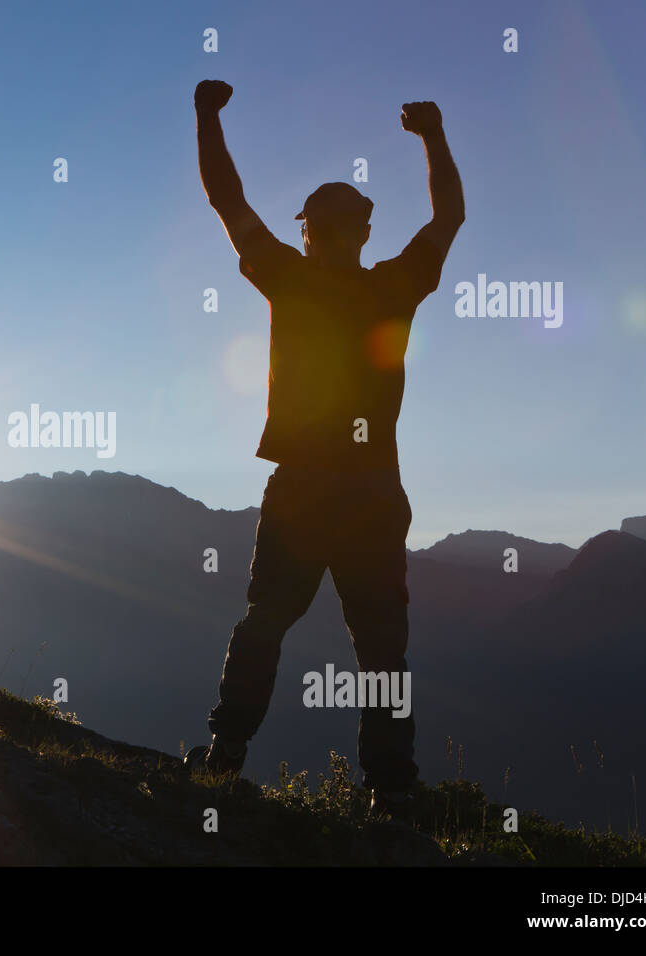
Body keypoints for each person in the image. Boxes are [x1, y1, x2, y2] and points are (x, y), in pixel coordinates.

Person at [185, 79, 465, 819]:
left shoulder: (289, 280)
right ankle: (391, 788)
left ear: (309, 230)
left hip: (304, 485)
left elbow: (226, 199)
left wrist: (207, 117)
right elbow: (450, 216)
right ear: (365, 230)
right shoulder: (395, 288)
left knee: (266, 619)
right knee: (380, 646)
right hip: (374, 489)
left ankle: (225, 757)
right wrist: (433, 137)